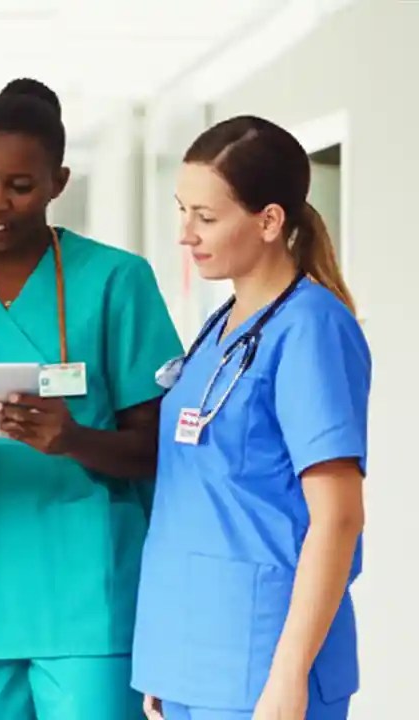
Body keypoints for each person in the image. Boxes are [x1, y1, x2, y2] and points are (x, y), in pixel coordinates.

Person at [0, 78, 183, 719]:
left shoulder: (116, 280)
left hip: (87, 597)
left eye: (20, 186)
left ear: (59, 182)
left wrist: (71, 439)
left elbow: (163, 448)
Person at [132, 116, 370, 720]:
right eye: (182, 210)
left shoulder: (310, 329)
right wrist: (169, 657)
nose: (185, 234)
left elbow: (338, 519)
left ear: (269, 221)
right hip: (193, 659)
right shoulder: (222, 326)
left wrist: (288, 678)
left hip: (263, 667)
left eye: (206, 217)